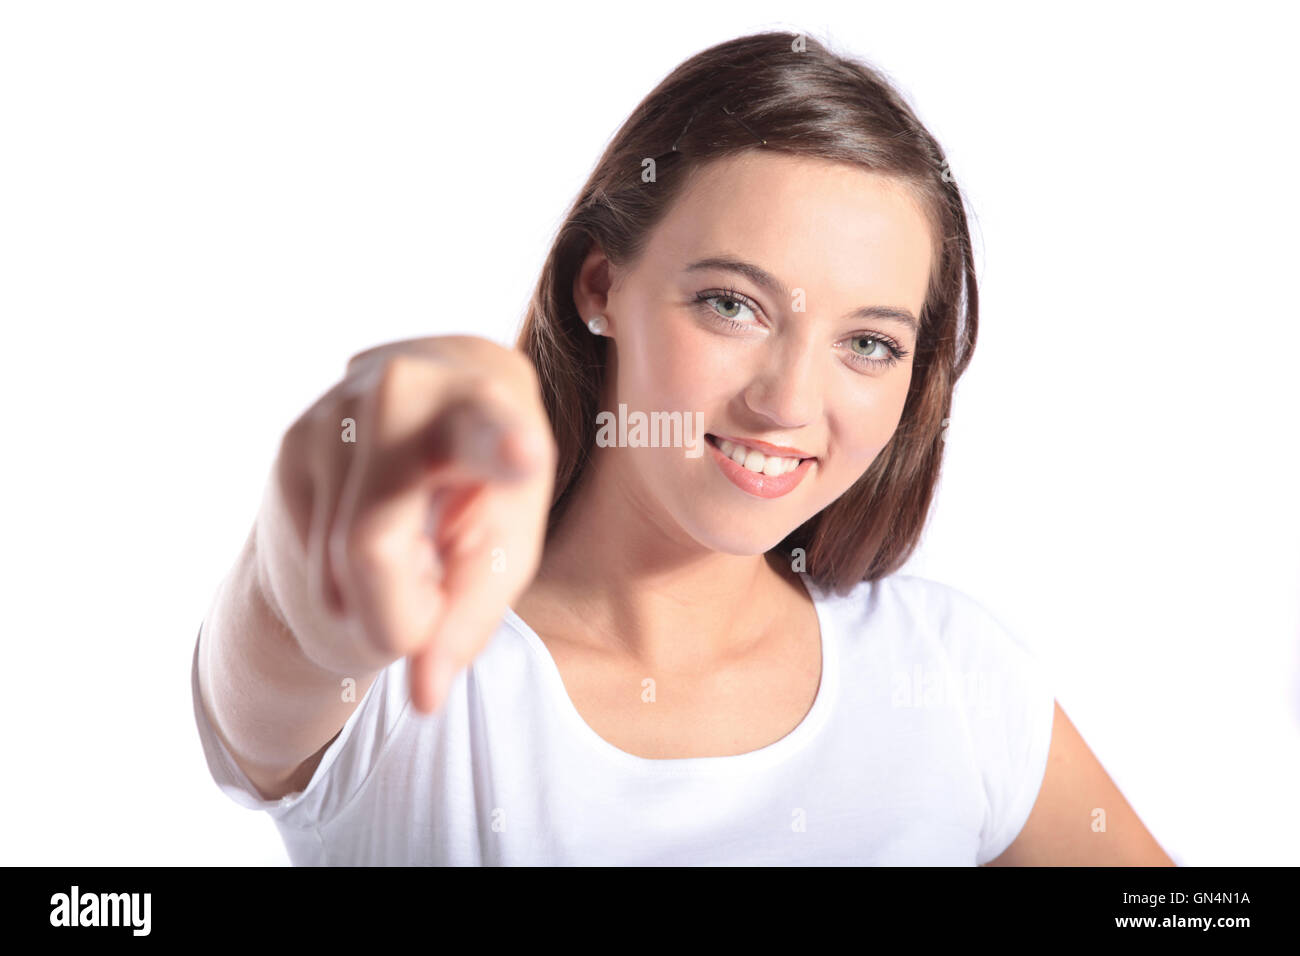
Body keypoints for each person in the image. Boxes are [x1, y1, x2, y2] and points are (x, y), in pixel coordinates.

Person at [192, 30, 1175, 865]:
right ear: (599, 286)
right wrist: (331, 496)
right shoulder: (406, 683)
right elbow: (290, 624)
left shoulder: (953, 675)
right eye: (731, 303)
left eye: (868, 342)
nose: (786, 399)